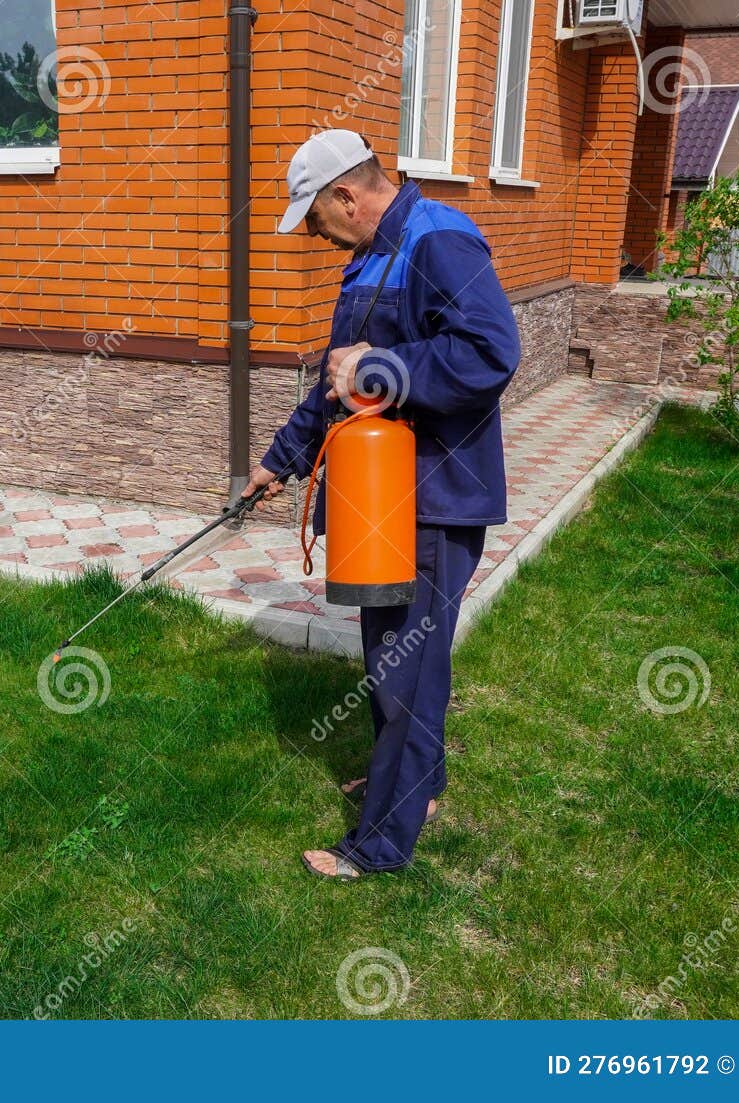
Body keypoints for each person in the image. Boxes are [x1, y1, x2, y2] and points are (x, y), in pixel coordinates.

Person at [243, 130, 520, 880]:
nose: (312, 233)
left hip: (433, 494)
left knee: (404, 667)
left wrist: (383, 366)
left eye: (314, 217)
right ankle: (417, 785)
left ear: (348, 197)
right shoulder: (369, 259)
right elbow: (339, 384)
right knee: (394, 659)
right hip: (380, 497)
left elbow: (492, 354)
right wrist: (281, 460)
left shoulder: (441, 242)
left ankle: (379, 845)